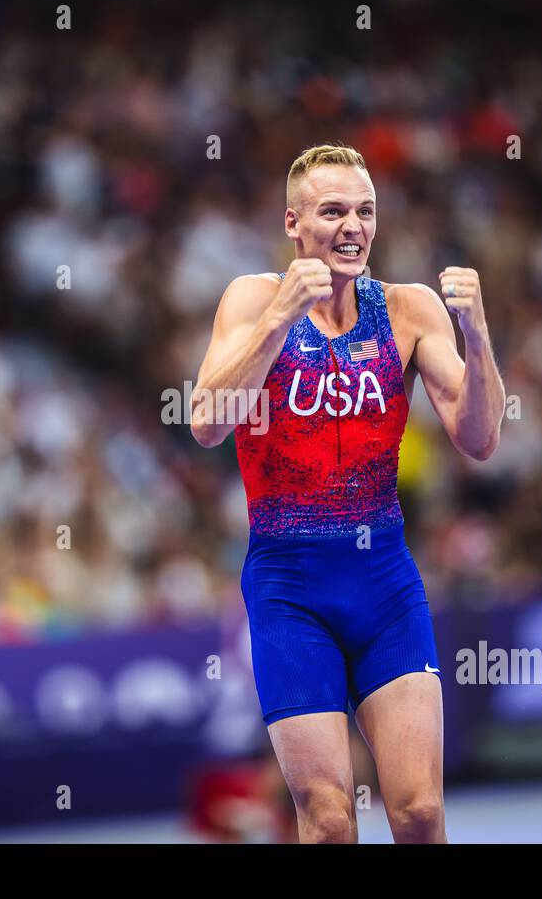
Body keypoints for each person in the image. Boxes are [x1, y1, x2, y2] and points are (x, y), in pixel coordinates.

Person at [190, 144, 505, 842]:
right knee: (330, 820)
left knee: (420, 812)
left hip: (383, 583)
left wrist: (478, 338)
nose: (352, 226)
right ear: (293, 224)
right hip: (288, 587)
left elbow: (480, 439)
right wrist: (279, 317)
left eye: (365, 211)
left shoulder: (408, 309)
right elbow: (208, 422)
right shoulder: (250, 296)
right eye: (332, 211)